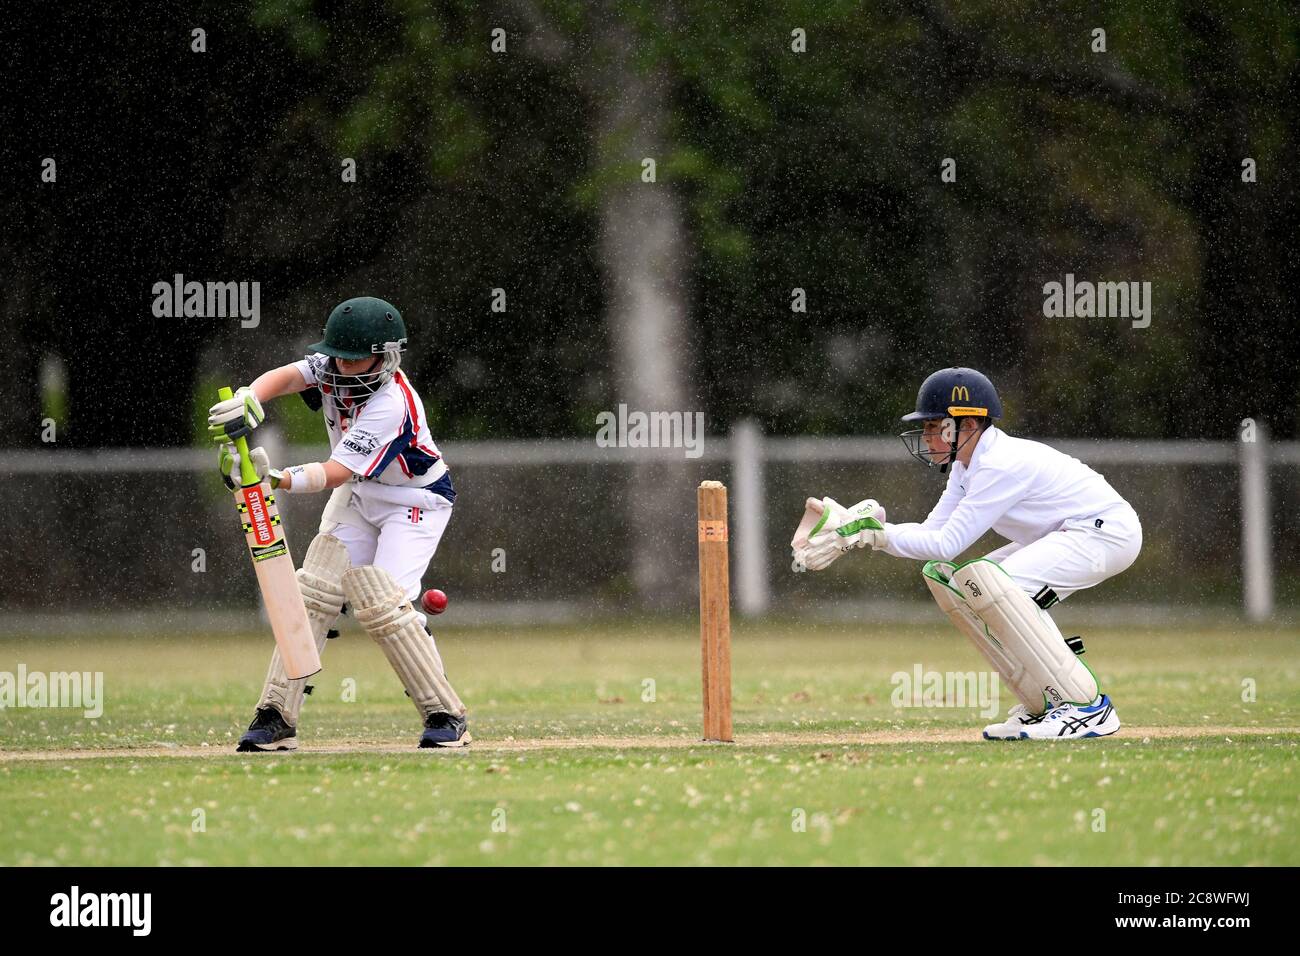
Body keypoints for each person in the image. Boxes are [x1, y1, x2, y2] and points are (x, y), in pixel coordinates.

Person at [791, 367, 1141, 740]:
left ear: (968, 423)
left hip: (1105, 533)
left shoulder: (999, 464)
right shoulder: (965, 466)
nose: (926, 437)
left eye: (933, 427)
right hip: (1067, 533)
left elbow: (947, 545)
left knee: (1002, 589)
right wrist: (865, 531)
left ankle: (1087, 709)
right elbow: (931, 532)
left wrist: (875, 536)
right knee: (970, 587)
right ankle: (1047, 704)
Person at [208, 296, 469, 750]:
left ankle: (445, 715)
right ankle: (277, 714)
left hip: (415, 501)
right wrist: (252, 395)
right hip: (359, 496)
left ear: (385, 355)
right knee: (313, 590)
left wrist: (276, 479)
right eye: (338, 357)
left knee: (383, 604)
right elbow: (289, 376)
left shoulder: (392, 403)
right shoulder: (331, 363)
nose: (343, 368)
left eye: (355, 359)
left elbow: (337, 471)